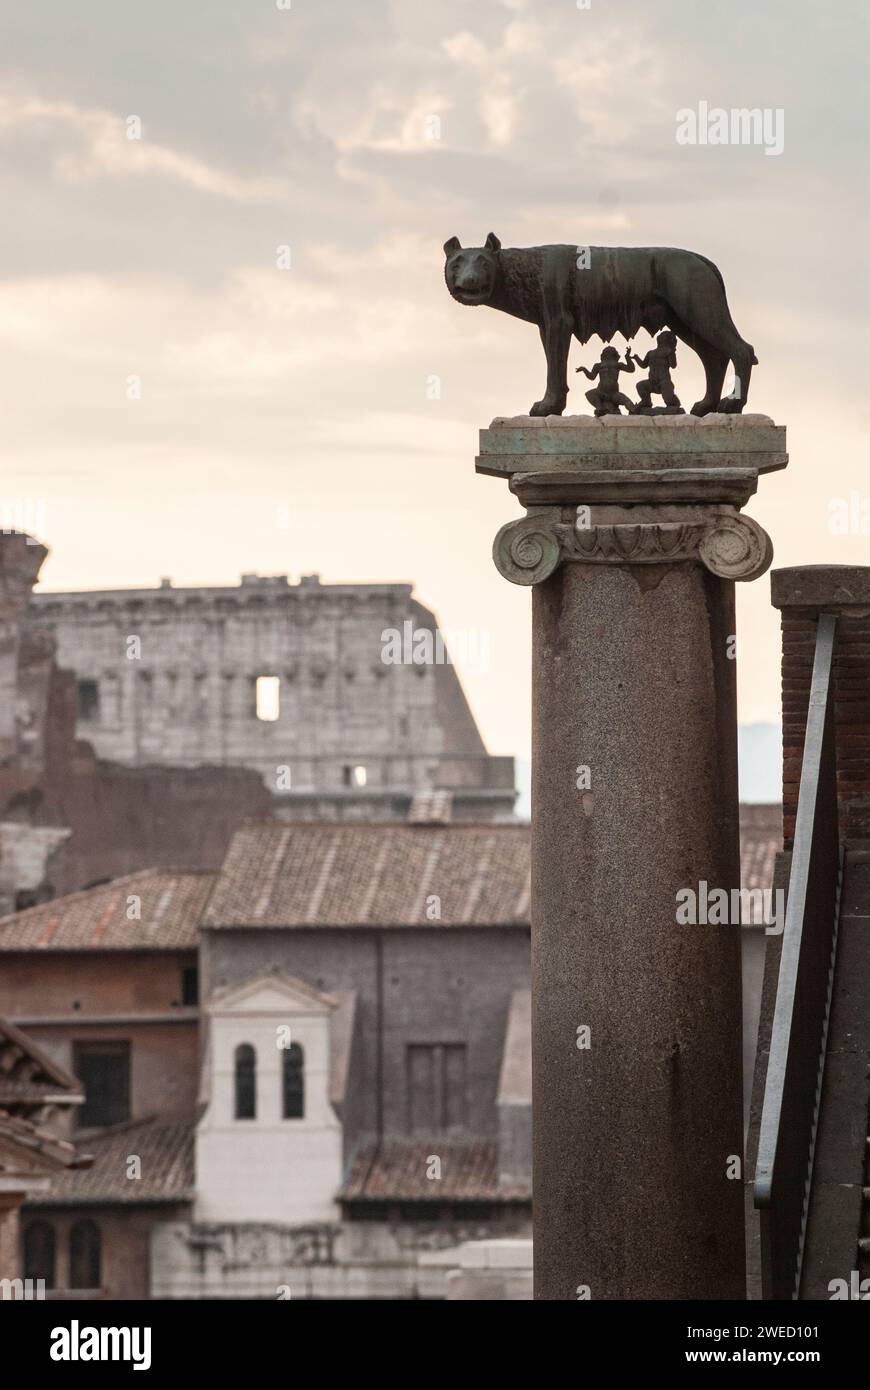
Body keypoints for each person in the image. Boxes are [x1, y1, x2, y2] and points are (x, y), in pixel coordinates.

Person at [575, 345, 636, 416]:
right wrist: (584, 369)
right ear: (603, 355)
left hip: (614, 393)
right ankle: (600, 408)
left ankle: (634, 411)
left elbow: (631, 369)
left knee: (627, 401)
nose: (609, 354)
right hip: (601, 392)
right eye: (607, 353)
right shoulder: (598, 365)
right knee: (589, 394)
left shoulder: (617, 364)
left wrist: (627, 357)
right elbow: (592, 377)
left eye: (611, 352)